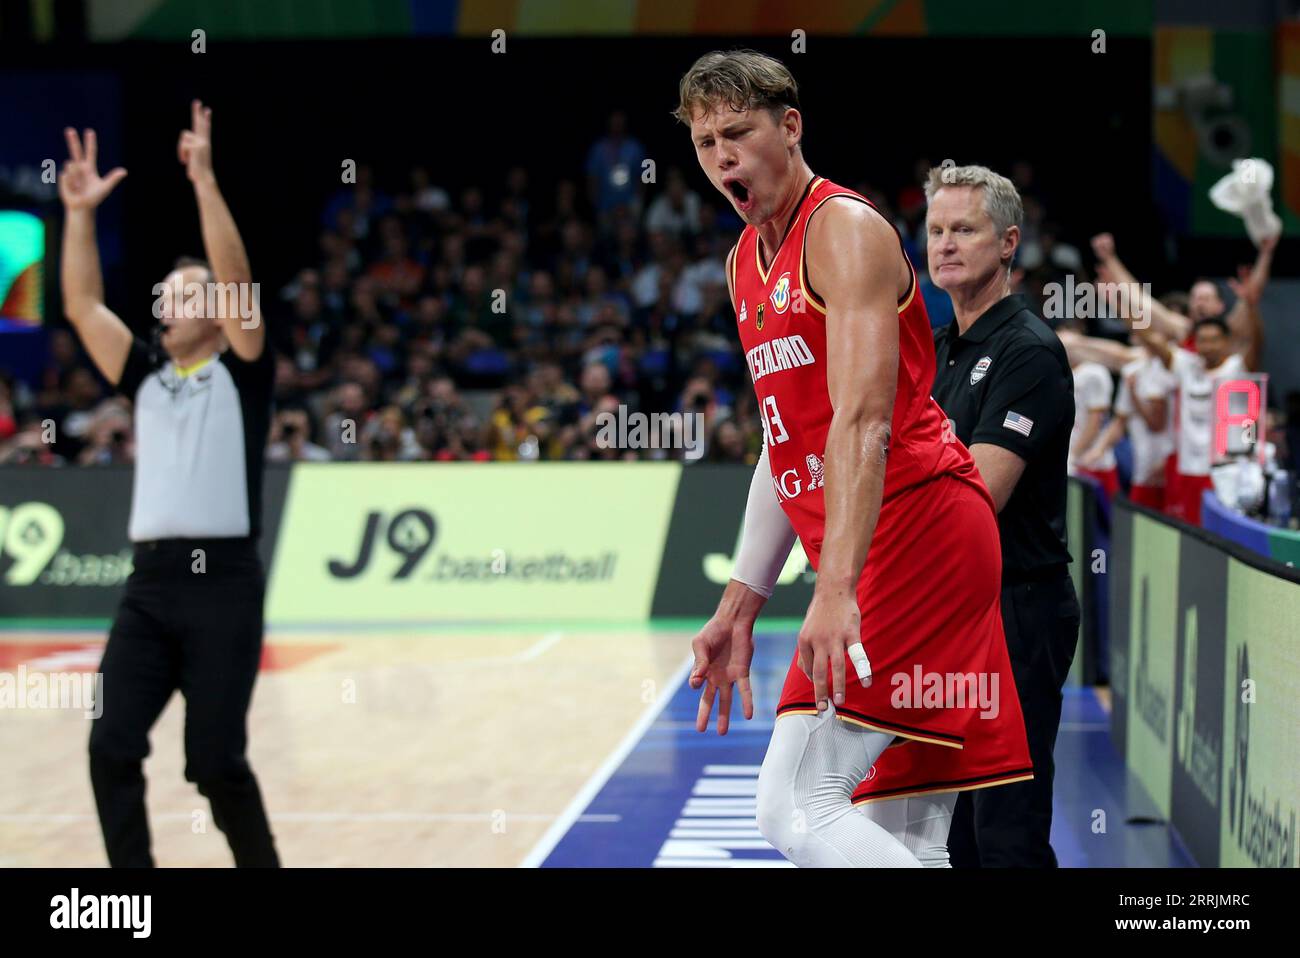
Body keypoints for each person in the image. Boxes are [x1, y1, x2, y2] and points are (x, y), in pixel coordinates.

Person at [678, 50, 1031, 868]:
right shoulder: (741, 263)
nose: (723, 157)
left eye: (738, 132)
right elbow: (786, 442)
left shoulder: (843, 230)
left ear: (789, 126)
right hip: (905, 536)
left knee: (794, 806)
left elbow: (865, 422)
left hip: (916, 531)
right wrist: (740, 604)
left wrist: (834, 589)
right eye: (705, 144)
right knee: (902, 832)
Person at [59, 102, 279, 867]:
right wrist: (81, 216)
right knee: (109, 745)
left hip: (223, 584)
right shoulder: (146, 375)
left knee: (215, 765)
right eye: (166, 294)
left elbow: (238, 281)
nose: (168, 303)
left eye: (187, 294)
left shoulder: (241, 373)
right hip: (149, 586)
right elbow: (83, 305)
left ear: (218, 314)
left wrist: (205, 180)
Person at [922, 164, 1079, 866]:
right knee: (953, 831)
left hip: (1019, 608)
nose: (945, 243)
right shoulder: (931, 348)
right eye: (934, 230)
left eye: (964, 229)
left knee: (1006, 827)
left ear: (1009, 242)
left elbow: (976, 497)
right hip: (952, 613)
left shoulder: (1029, 351)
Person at [1091, 232, 1271, 524]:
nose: (1208, 345)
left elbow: (1257, 344)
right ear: (1194, 341)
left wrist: (1251, 306)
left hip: (1229, 470)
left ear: (1226, 341)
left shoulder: (1237, 367)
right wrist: (1118, 303)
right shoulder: (1184, 362)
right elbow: (1149, 334)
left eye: (1215, 340)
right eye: (1203, 340)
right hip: (1186, 469)